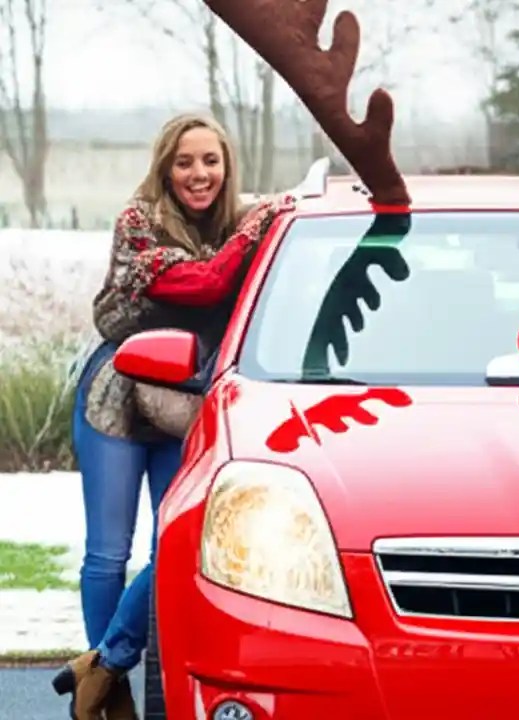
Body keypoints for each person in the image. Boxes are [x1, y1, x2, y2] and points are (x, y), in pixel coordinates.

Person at [55, 113, 294, 720]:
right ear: (165, 168)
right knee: (108, 553)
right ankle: (111, 701)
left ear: (227, 166)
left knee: (176, 546)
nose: (199, 173)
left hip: (181, 401)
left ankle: (103, 667)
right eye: (185, 162)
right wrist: (256, 227)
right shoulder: (139, 222)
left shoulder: (240, 223)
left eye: (210, 160)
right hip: (116, 396)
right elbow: (204, 284)